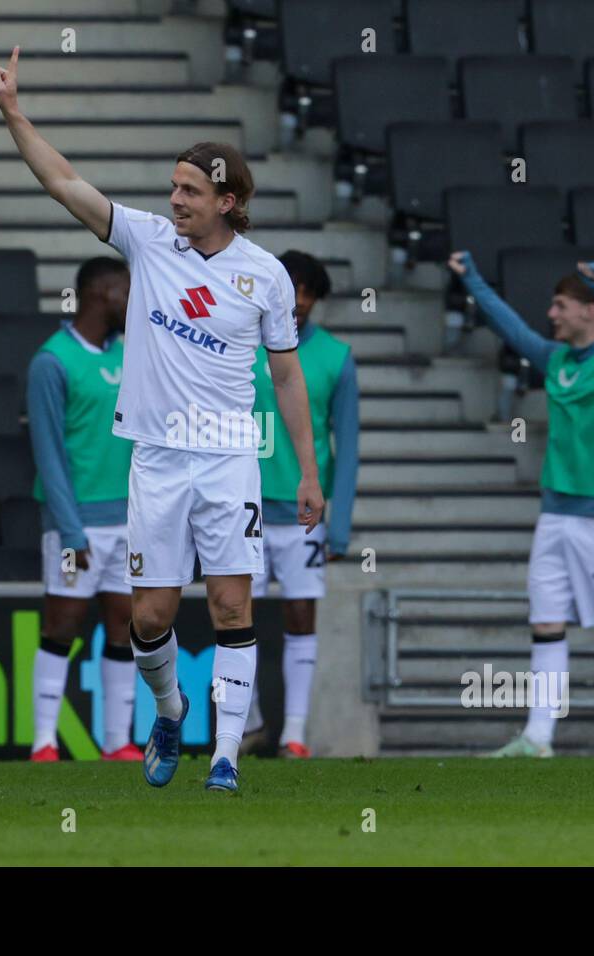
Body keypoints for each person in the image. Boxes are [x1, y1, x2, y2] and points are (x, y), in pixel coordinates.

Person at [0, 47, 324, 793]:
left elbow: (287, 374)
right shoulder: (145, 240)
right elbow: (63, 181)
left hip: (231, 456)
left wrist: (306, 469)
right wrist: (14, 112)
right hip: (159, 459)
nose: (175, 200)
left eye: (191, 190)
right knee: (148, 619)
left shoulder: (263, 274)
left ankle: (227, 756)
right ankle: (168, 711)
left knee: (234, 604)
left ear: (227, 201)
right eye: (174, 186)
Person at [449, 252, 594, 758]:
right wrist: (472, 276)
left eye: (561, 306)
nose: (552, 315)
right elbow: (510, 327)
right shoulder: (556, 360)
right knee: (545, 622)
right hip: (556, 513)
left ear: (588, 311)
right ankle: (538, 737)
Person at [27, 257, 142, 762]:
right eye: (128, 292)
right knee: (63, 623)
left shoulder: (133, 354)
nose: (134, 303)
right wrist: (72, 531)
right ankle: (44, 742)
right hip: (77, 524)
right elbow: (48, 452)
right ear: (103, 294)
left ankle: (117, 742)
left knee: (124, 625)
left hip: (129, 519)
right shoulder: (51, 361)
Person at [245, 250, 358, 757]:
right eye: (295, 289)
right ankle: (245, 723)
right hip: (241, 507)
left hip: (302, 515)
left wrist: (341, 524)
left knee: (300, 614)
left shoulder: (336, 357)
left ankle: (294, 732)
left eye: (311, 292)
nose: (303, 300)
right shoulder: (238, 342)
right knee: (235, 614)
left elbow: (349, 446)